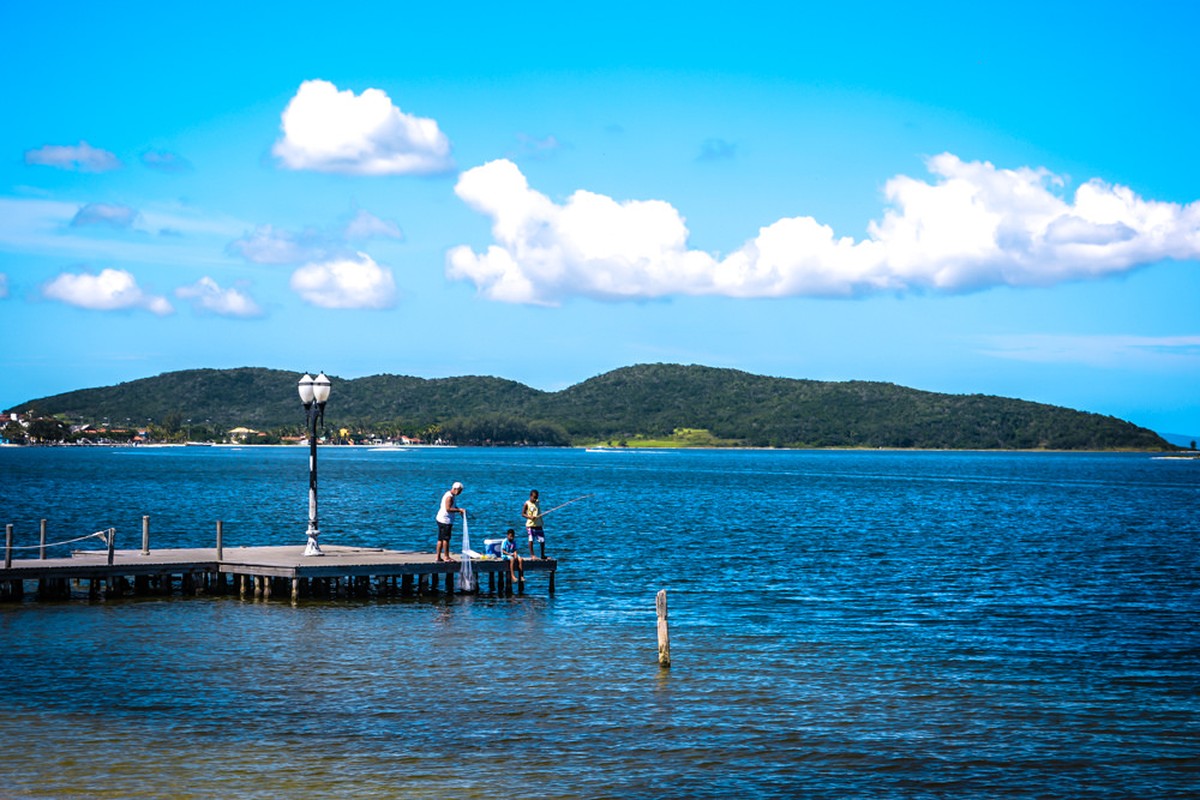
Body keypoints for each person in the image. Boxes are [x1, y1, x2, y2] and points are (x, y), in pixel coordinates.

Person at [435, 481, 466, 562]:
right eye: (459, 491)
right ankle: (446, 556)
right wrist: (459, 510)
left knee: (440, 539)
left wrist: (458, 509)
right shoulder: (449, 497)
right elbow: (448, 508)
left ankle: (438, 557)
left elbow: (453, 506)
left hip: (441, 519)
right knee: (446, 539)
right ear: (455, 489)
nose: (460, 493)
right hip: (445, 520)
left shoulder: (452, 495)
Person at [522, 488, 545, 559]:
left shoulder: (537, 502)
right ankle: (532, 555)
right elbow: (523, 514)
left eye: (536, 497)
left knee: (542, 540)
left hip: (538, 524)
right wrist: (530, 517)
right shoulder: (527, 503)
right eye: (534, 497)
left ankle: (542, 555)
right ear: (530, 496)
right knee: (531, 539)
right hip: (530, 525)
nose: (535, 499)